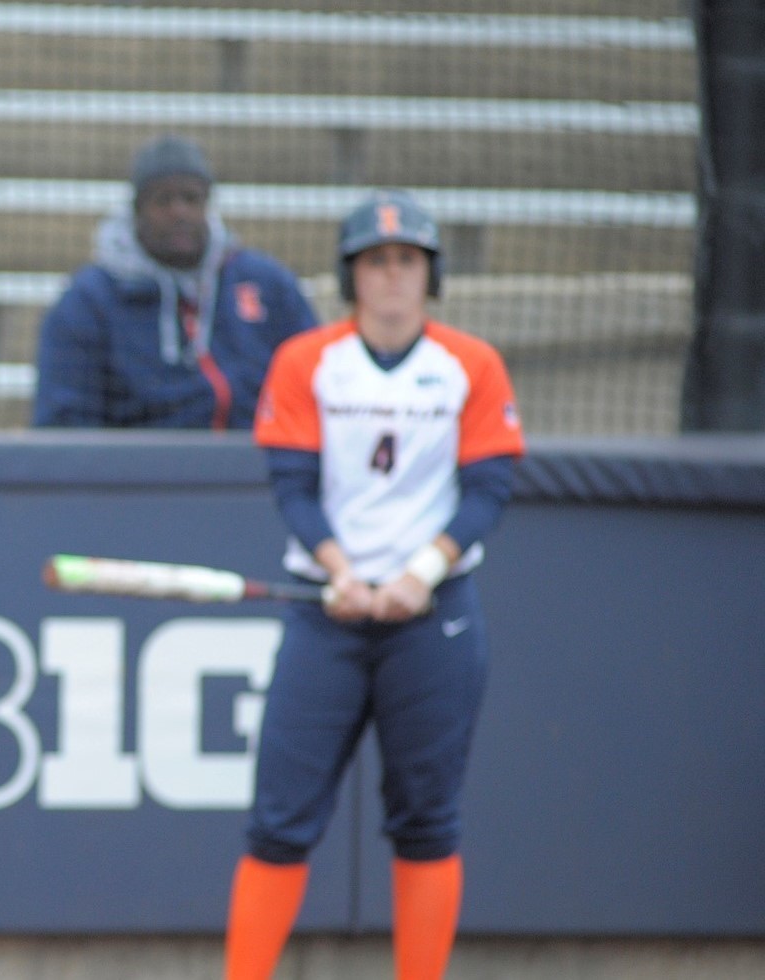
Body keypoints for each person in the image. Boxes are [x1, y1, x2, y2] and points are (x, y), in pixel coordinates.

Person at [224, 190, 526, 980]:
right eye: (375, 262)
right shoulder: (307, 360)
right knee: (279, 820)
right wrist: (343, 571)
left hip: (434, 616)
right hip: (328, 612)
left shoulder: (471, 364)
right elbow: (292, 482)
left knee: (427, 819)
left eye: (407, 261)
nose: (391, 277)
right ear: (350, 276)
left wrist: (421, 572)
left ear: (431, 275)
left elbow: (488, 488)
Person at [32, 133, 317, 430]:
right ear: (137, 211)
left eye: (191, 199)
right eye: (163, 200)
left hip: (254, 465)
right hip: (140, 470)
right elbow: (64, 420)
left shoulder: (266, 283)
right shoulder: (89, 300)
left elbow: (314, 382)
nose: (179, 212)